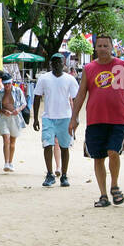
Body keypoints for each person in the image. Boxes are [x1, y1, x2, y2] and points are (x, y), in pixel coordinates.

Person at [70, 34, 124, 206]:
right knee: (98, 157)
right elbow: (81, 95)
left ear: (112, 48)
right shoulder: (89, 68)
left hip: (118, 118)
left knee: (113, 151)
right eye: (100, 46)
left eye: (106, 45)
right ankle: (103, 195)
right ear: (95, 48)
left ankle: (115, 185)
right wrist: (73, 118)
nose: (103, 48)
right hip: (95, 119)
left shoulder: (122, 65)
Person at [33, 54, 80, 187]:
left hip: (65, 117)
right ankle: (49, 174)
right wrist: (35, 118)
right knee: (47, 145)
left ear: (64, 63)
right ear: (51, 64)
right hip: (48, 117)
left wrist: (75, 118)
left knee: (65, 147)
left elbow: (76, 99)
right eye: (54, 62)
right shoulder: (44, 78)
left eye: (59, 62)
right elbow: (37, 97)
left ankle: (64, 175)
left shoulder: (70, 79)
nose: (57, 65)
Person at [0, 70, 26, 173]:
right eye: (5, 84)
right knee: (6, 139)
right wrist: (3, 111)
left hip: (15, 118)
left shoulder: (18, 91)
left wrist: (18, 110)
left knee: (12, 142)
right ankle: (6, 163)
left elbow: (23, 103)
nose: (7, 86)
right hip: (4, 118)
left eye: (9, 84)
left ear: (12, 83)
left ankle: (10, 162)